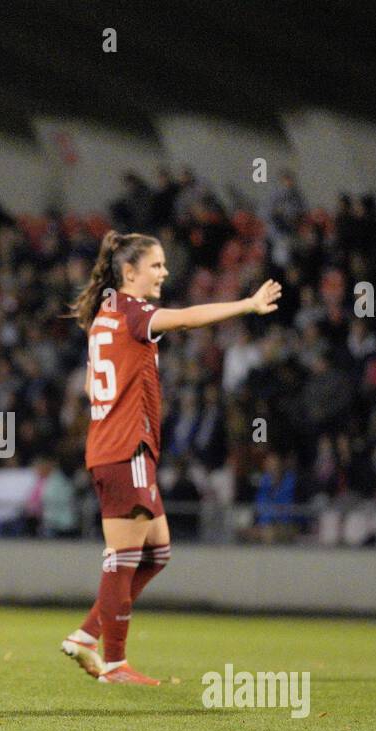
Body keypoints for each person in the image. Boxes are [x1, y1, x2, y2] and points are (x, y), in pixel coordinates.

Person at [61, 230, 281, 683]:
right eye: (156, 265)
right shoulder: (135, 311)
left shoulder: (104, 313)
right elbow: (184, 320)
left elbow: (88, 387)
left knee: (156, 551)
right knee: (122, 557)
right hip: (126, 450)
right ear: (129, 272)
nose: (164, 273)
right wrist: (246, 304)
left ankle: (89, 633)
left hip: (112, 447)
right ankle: (110, 658)